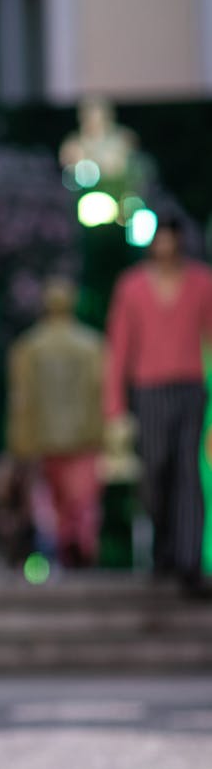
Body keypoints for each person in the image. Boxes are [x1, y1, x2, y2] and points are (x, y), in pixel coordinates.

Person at [105, 216, 212, 594]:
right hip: (148, 390)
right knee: (154, 472)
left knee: (187, 471)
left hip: (189, 387)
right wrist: (114, 406)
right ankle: (164, 548)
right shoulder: (132, 287)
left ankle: (188, 561)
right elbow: (119, 347)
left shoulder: (202, 282)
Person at [7, 278, 105, 568]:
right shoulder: (92, 345)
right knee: (82, 505)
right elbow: (103, 393)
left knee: (54, 507)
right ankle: (79, 550)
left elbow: (20, 400)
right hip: (84, 436)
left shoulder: (28, 346)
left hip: (44, 438)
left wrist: (19, 443)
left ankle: (63, 552)